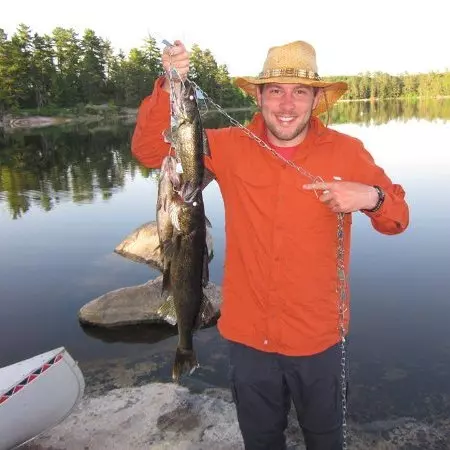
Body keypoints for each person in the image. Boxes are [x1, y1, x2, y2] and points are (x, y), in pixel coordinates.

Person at [131, 40, 409, 450]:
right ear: (259, 96)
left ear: (316, 99)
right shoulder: (227, 146)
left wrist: (370, 197)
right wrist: (170, 83)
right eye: (275, 90)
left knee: (325, 440)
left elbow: (398, 218)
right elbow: (150, 150)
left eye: (300, 92)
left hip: (318, 341)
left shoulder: (348, 152)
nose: (286, 104)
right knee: (260, 441)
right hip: (248, 342)